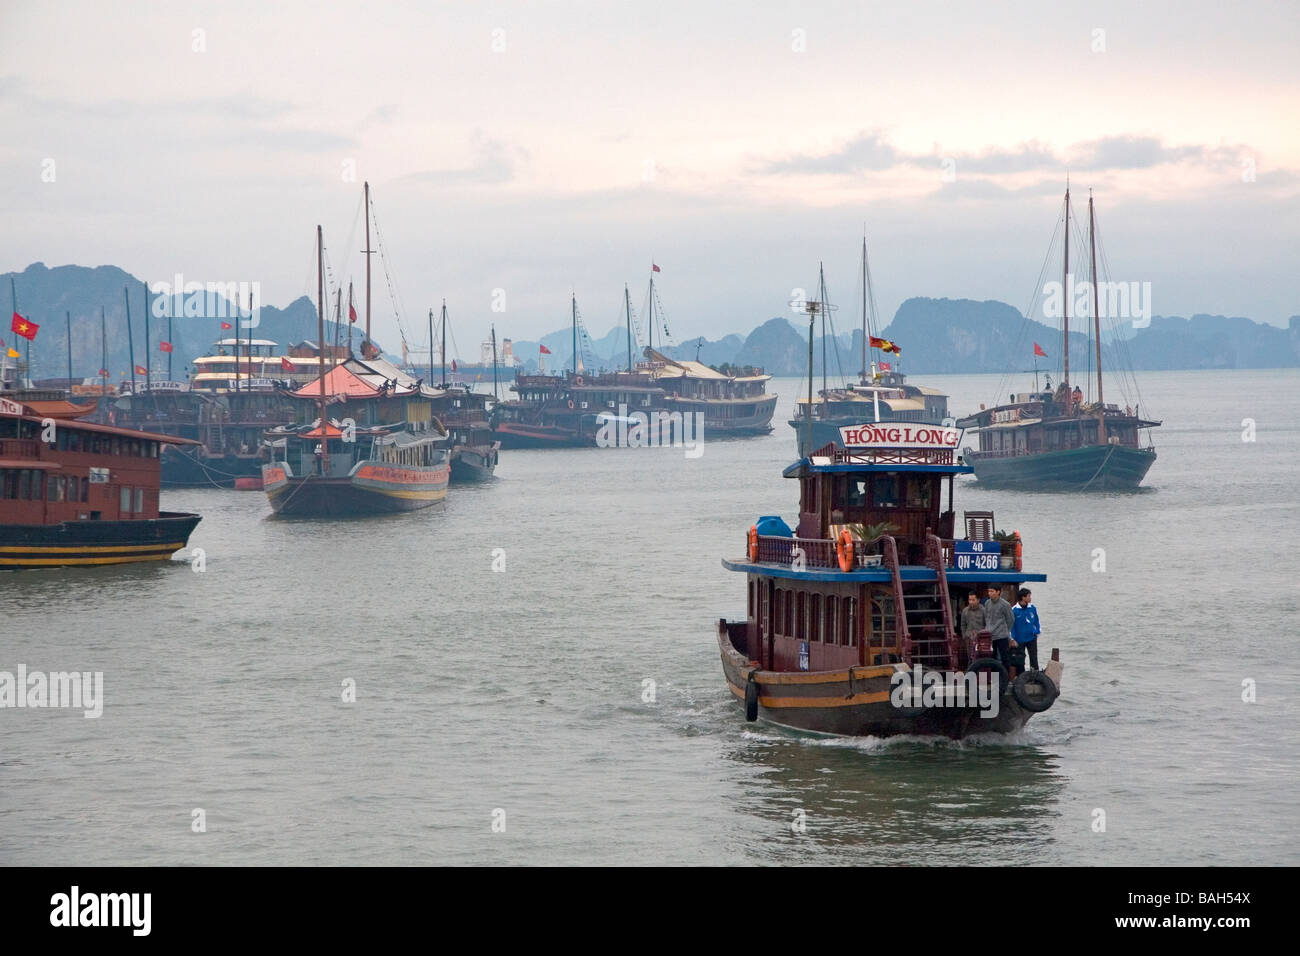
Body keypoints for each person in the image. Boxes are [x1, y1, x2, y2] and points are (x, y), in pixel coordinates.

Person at [1011, 587, 1041, 671]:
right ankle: (1021, 675)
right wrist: (1012, 639)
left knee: (1034, 657)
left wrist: (1037, 631)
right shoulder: (1014, 610)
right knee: (1020, 659)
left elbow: (1036, 621)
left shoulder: (1032, 608)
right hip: (1019, 639)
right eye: (1028, 596)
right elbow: (1011, 626)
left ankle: (1035, 674)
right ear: (1023, 597)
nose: (1030, 598)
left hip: (1031, 637)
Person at [984, 584, 1014, 669]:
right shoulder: (987, 603)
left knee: (1005, 658)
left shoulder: (1005, 605)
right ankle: (994, 679)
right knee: (992, 658)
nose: (990, 593)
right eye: (989, 591)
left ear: (998, 592)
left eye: (992, 591)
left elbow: (1010, 619)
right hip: (990, 636)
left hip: (1002, 636)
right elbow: (986, 617)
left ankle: (1005, 679)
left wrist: (1005, 631)